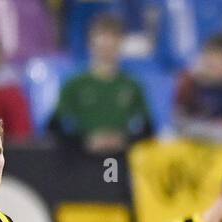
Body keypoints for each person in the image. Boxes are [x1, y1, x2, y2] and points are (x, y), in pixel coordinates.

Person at [50, 12, 151, 154]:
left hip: (120, 162)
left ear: (120, 43)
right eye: (102, 37)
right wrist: (86, 140)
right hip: (80, 162)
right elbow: (56, 126)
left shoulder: (132, 86)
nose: (107, 45)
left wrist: (123, 140)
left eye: (113, 38)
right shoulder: (75, 84)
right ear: (90, 43)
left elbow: (147, 128)